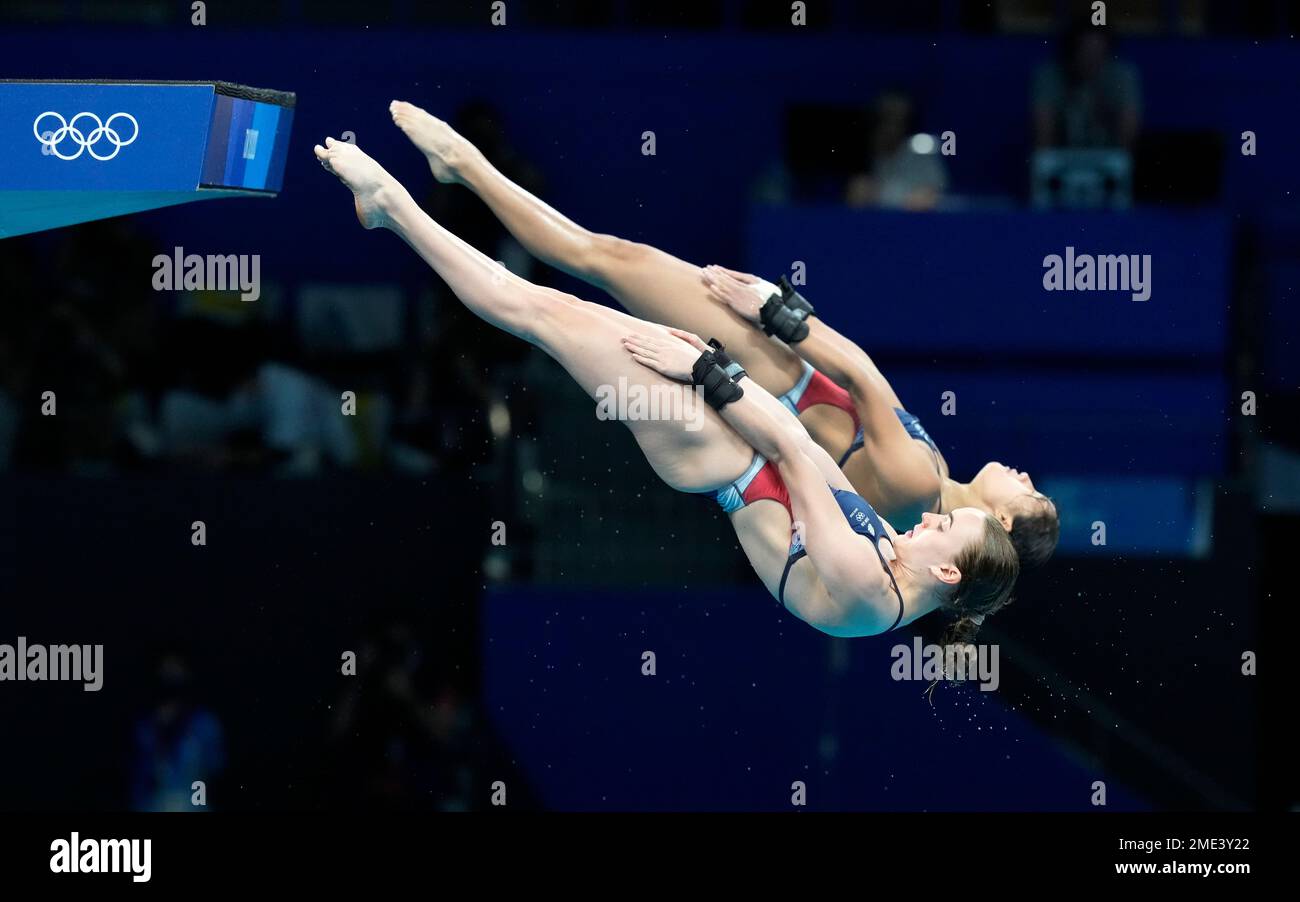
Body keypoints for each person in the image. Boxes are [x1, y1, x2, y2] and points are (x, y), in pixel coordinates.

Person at [314, 135, 1019, 641]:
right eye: (945, 517)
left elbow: (799, 457)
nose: (930, 520)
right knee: (565, 303)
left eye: (946, 530)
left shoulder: (873, 594)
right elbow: (803, 444)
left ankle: (394, 208)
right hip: (738, 431)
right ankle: (414, 199)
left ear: (951, 575)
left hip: (719, 451)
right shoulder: (895, 564)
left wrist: (709, 373)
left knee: (546, 314)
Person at [385, 101, 1058, 566]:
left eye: (1027, 493)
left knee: (602, 260)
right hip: (760, 382)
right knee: (587, 279)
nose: (1025, 474)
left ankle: (464, 166)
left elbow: (860, 374)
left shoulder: (919, 484)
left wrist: (779, 314)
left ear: (1000, 524)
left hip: (768, 367)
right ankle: (461, 174)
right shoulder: (925, 493)